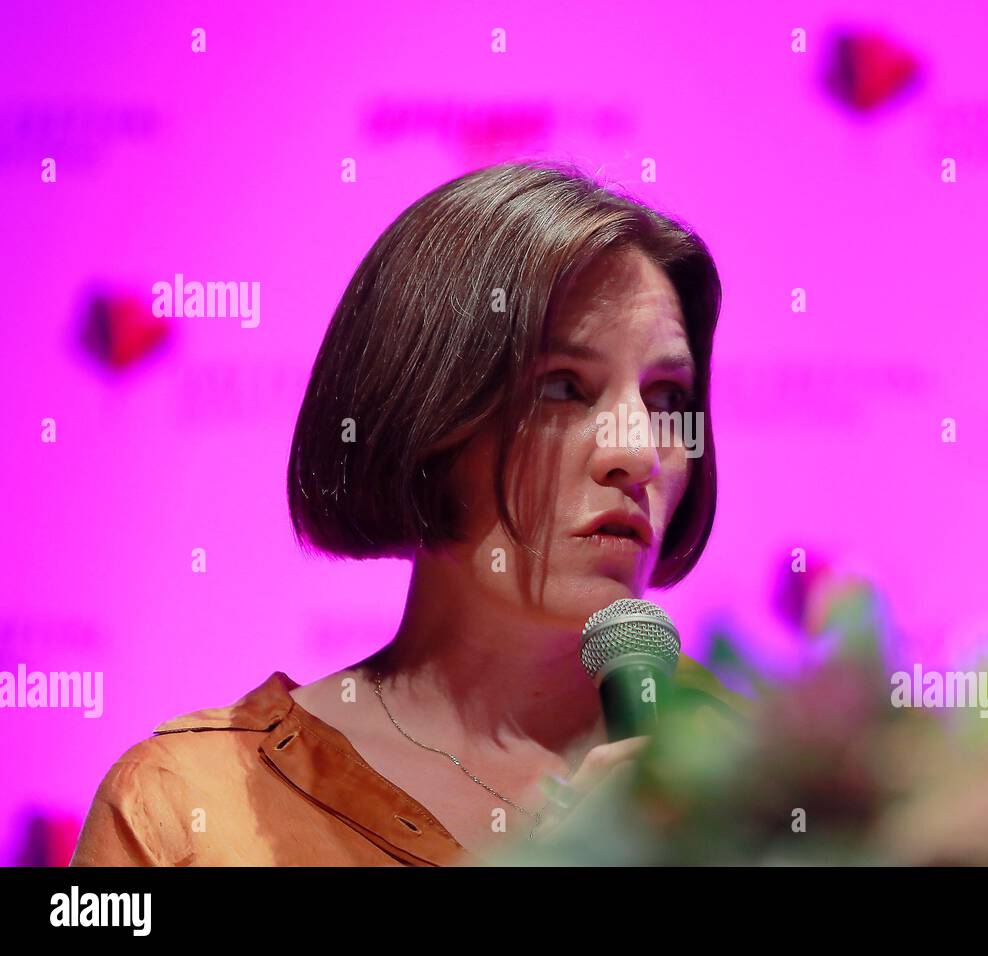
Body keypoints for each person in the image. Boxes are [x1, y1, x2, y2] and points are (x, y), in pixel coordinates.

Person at [69, 159, 750, 867]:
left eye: (668, 399)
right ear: (426, 415)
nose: (638, 452)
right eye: (563, 388)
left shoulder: (777, 788)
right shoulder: (192, 807)